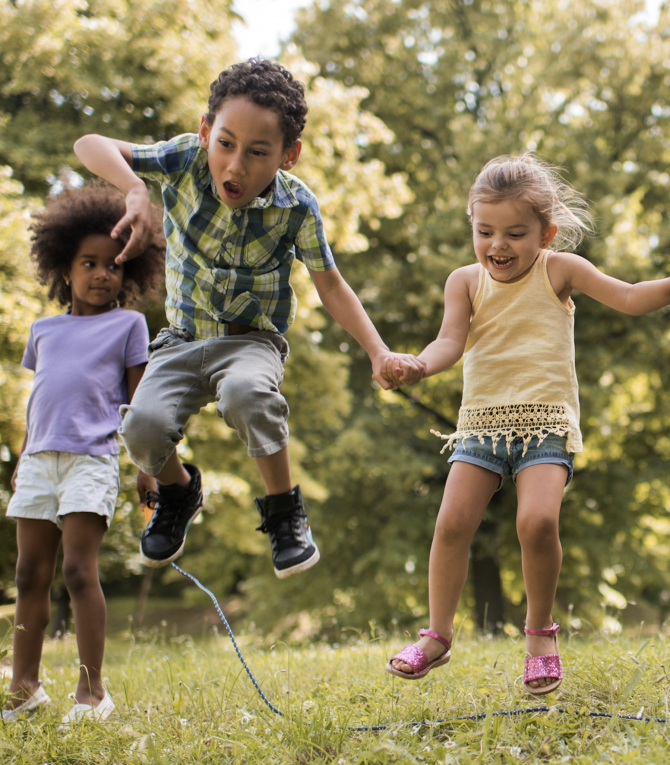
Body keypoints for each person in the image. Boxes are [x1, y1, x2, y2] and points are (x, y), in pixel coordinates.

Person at [73, 58, 423, 578]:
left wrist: (378, 351)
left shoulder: (297, 207)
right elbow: (89, 144)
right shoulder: (185, 160)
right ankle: (178, 491)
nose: (235, 167)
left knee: (246, 394)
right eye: (226, 144)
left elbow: (331, 283)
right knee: (142, 428)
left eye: (258, 153)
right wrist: (135, 188)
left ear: (289, 155)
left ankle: (284, 510)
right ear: (206, 131)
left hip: (251, 343)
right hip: (182, 340)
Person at [384, 153, 670, 695]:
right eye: (484, 230)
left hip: (545, 425)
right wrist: (418, 364)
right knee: (451, 525)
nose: (498, 245)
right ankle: (437, 635)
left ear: (546, 232)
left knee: (536, 523)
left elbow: (630, 298)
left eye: (515, 233)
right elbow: (450, 342)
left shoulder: (558, 270)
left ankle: (540, 633)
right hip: (479, 429)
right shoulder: (464, 282)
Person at [3, 181, 163, 723]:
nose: (102, 274)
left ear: (129, 272)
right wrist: (23, 456)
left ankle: (92, 693)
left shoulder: (129, 325)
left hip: (90, 460)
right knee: (29, 574)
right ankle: (24, 688)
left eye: (114, 265)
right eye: (88, 263)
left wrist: (148, 469)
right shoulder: (44, 330)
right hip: (40, 461)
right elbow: (41, 397)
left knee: (77, 569)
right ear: (64, 270)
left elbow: (139, 406)